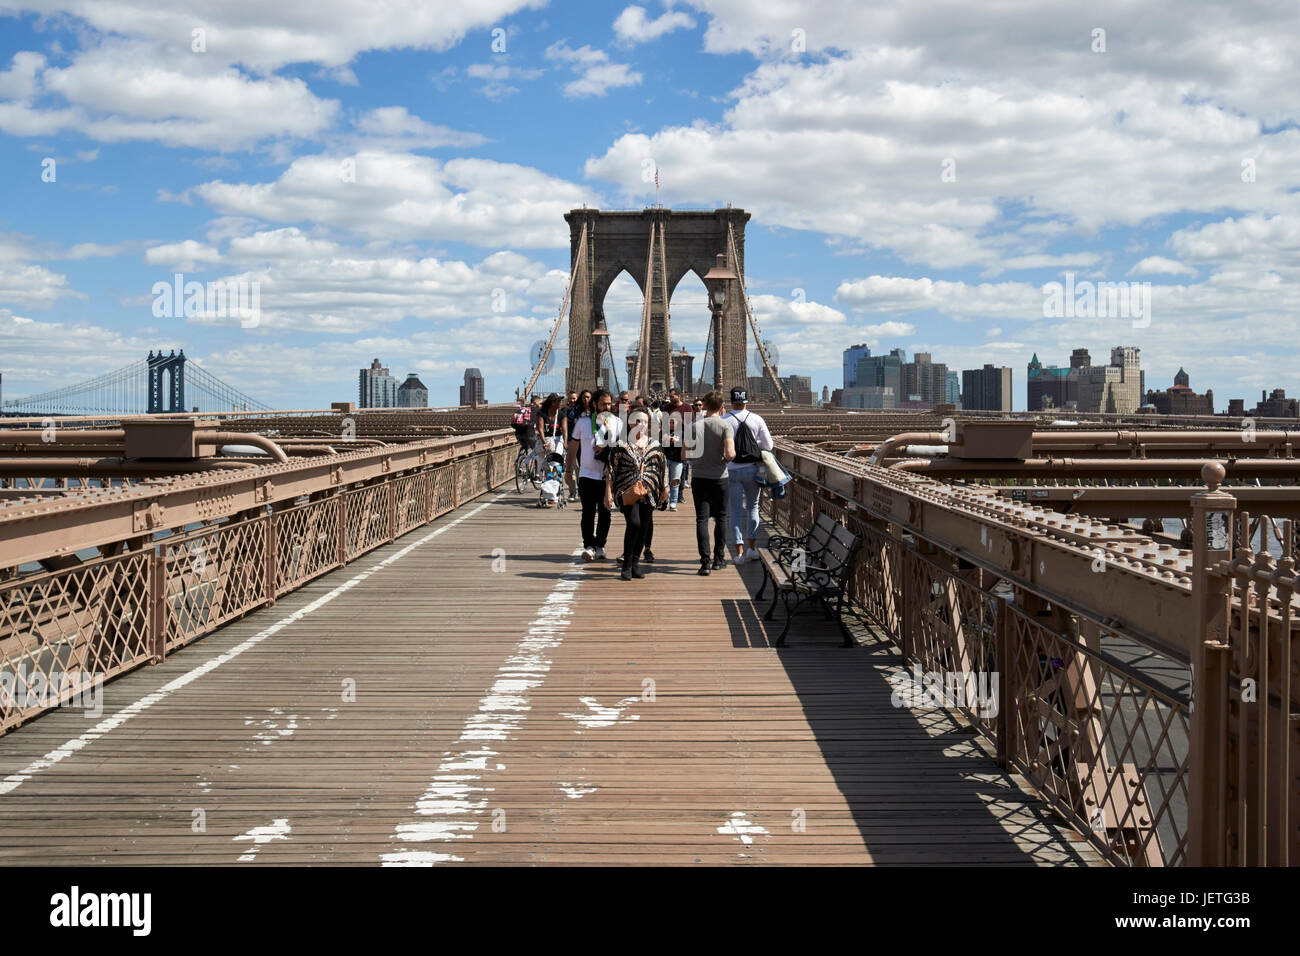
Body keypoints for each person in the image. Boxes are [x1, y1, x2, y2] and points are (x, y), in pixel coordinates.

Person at [604, 407, 668, 581]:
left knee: (645, 526)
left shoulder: (655, 444)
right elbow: (610, 470)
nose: (641, 424)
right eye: (637, 421)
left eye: (645, 421)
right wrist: (608, 493)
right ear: (630, 423)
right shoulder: (620, 445)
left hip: (649, 491)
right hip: (626, 491)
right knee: (634, 523)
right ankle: (626, 564)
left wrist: (665, 488)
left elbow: (662, 467)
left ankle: (635, 563)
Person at [567, 388, 620, 561]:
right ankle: (588, 545)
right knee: (588, 512)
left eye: (609, 403)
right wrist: (568, 470)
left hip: (607, 476)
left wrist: (605, 448)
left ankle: (600, 546)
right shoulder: (583, 423)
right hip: (586, 474)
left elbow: (622, 449)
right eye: (604, 403)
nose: (607, 406)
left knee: (605, 512)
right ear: (595, 404)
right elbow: (573, 447)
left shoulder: (618, 423)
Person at [723, 387, 774, 564]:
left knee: (735, 511)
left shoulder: (724, 420)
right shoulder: (756, 419)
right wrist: (753, 443)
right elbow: (769, 445)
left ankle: (738, 553)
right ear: (746, 401)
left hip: (732, 470)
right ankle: (752, 549)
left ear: (731, 401)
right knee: (752, 508)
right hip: (753, 469)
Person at [687, 391, 735, 575]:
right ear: (722, 406)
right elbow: (730, 454)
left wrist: (698, 463)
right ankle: (719, 560)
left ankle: (705, 563)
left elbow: (685, 455)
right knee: (721, 517)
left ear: (704, 405)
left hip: (699, 478)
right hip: (719, 478)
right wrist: (722, 461)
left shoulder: (694, 426)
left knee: (702, 519)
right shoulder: (725, 426)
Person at [661, 389, 690, 510]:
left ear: (679, 396)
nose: (671, 398)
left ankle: (675, 500)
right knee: (665, 480)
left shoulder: (687, 407)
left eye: (673, 396)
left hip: (678, 456)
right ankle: (664, 500)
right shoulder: (666, 408)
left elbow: (689, 427)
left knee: (676, 479)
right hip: (666, 456)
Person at [565, 390, 592, 501]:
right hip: (574, 441)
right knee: (572, 465)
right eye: (584, 397)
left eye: (588, 397)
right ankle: (572, 492)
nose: (586, 399)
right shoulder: (573, 411)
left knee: (583, 467)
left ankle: (582, 491)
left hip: (587, 443)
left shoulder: (594, 411)